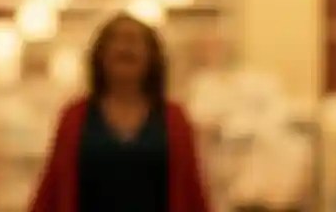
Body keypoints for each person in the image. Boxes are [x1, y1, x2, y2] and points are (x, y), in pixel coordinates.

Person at [29, 12, 211, 212]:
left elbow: (194, 193)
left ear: (152, 57)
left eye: (135, 41)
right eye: (116, 40)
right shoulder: (73, 117)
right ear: (100, 55)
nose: (125, 47)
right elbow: (50, 191)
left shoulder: (175, 119)